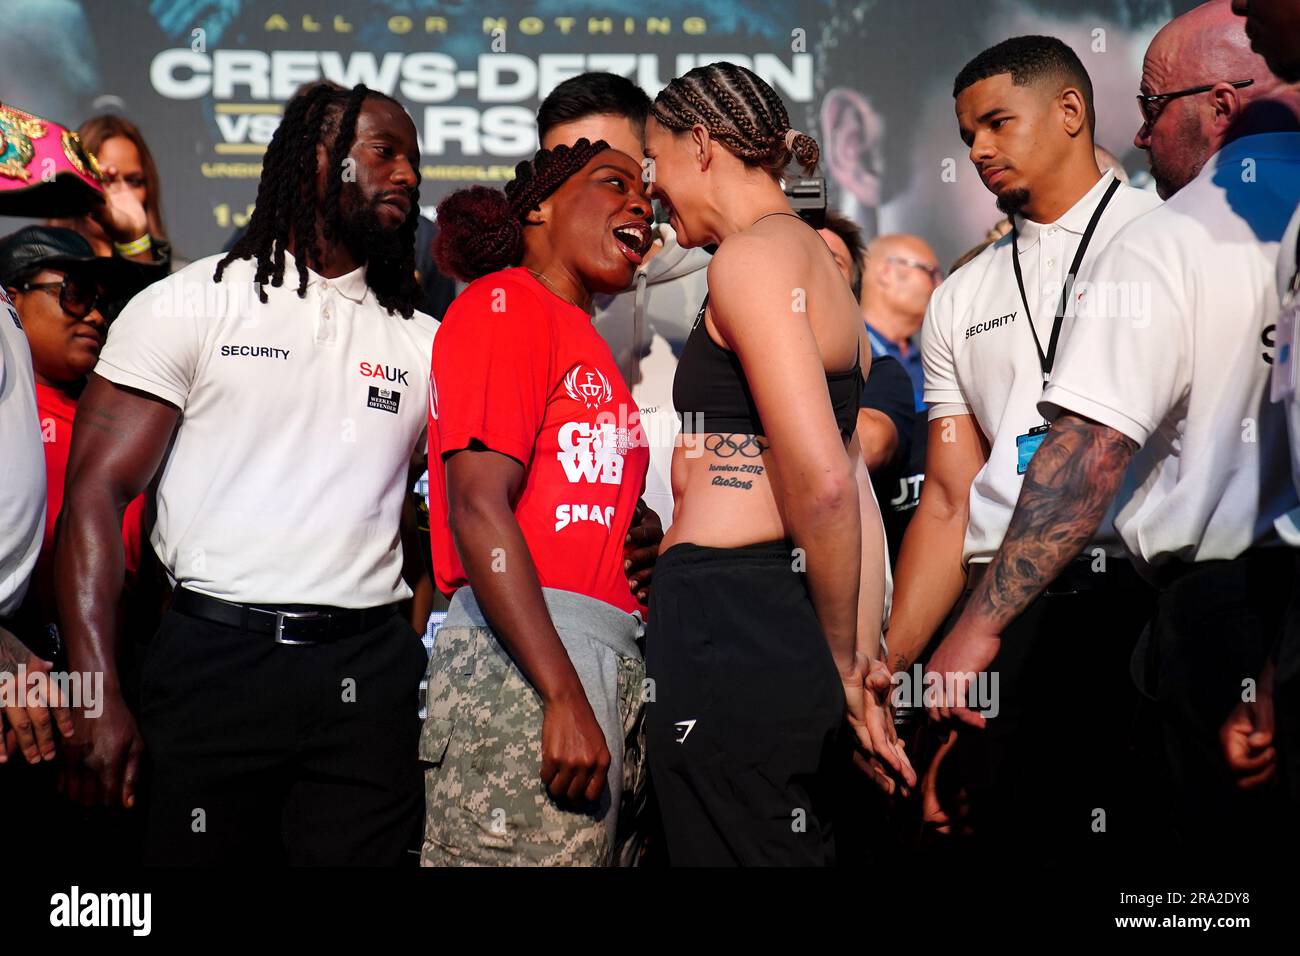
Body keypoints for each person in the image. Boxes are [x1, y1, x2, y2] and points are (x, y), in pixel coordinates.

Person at [930, 0, 1300, 854]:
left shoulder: (1166, 238)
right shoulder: (972, 289)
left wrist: (977, 629)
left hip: (1213, 612)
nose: (1138, 136)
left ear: (1220, 105)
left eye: (1152, 107)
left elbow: (1091, 451)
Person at [56, 81, 438, 866]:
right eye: (384, 152)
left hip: (367, 682)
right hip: (214, 665)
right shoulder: (190, 304)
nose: (406, 175)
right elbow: (96, 493)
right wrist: (96, 692)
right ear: (318, 161)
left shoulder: (427, 342)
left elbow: (457, 511)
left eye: (414, 161)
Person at [884, 34, 1163, 861]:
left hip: (1132, 597)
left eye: (997, 123)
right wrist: (892, 665)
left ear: (1070, 111)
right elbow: (946, 496)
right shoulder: (960, 294)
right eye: (967, 134)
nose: (976, 150)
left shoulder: (1165, 236)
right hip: (996, 609)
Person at [641, 61, 910, 866]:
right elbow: (854, 480)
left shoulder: (751, 262)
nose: (653, 194)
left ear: (700, 145)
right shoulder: (816, 267)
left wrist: (837, 659)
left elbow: (825, 486)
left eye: (655, 168)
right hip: (782, 621)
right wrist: (857, 664)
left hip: (736, 625)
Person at [420, 137, 656, 867]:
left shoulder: (579, 337)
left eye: (647, 194)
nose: (640, 204)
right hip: (526, 661)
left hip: (599, 656)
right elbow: (478, 508)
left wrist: (637, 528)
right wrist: (561, 693)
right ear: (538, 209)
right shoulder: (503, 305)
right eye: (613, 184)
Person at [537, 71, 713, 537]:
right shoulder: (519, 305)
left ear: (648, 172)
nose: (584, 196)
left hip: (697, 577)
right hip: (571, 589)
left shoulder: (723, 283)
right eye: (563, 173)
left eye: (608, 173)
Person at [0, 227, 149, 632]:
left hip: (110, 655)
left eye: (102, 302)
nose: (97, 315)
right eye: (74, 292)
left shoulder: (125, 415)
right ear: (11, 299)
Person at [818, 211, 921, 564]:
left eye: (831, 261)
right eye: (801, 253)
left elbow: (870, 447)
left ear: (853, 294)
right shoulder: (730, 371)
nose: (810, 267)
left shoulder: (880, 374)